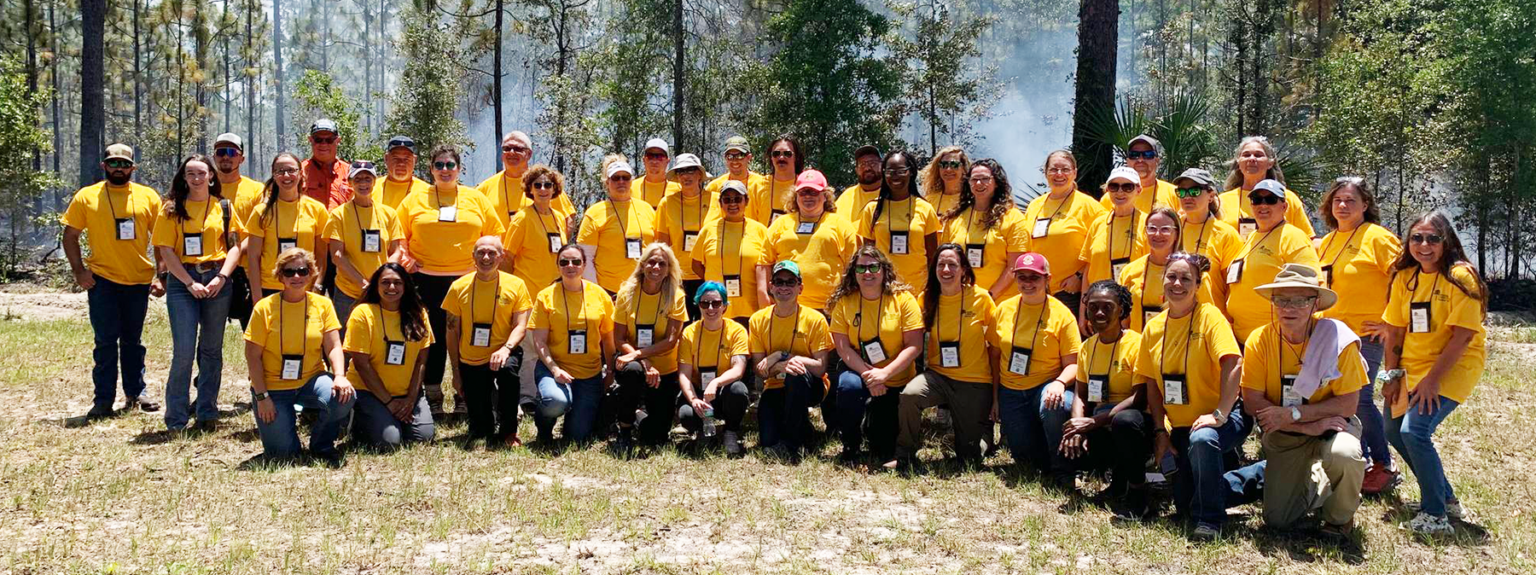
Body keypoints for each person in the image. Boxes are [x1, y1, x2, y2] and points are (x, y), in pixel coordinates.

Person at [1379, 212, 1487, 536]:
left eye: (1432, 239)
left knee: (1415, 430)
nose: (1424, 245)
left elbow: (1463, 336)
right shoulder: (1405, 278)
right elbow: (1395, 332)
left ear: (1446, 242)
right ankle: (1446, 498)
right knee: (1393, 429)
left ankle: (1436, 516)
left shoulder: (1460, 277)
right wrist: (1392, 376)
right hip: (1412, 366)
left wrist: (1432, 381)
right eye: (1417, 238)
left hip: (1453, 365)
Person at [1137, 253, 1258, 540]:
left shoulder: (1209, 316)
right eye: (1172, 277)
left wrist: (1219, 415)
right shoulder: (1153, 328)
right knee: (1186, 503)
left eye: (1186, 279)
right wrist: (1159, 432)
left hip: (1223, 419)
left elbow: (1233, 362)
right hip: (1180, 427)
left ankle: (1211, 521)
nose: (1177, 283)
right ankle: (1268, 477)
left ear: (1198, 284)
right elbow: (1152, 384)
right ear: (1162, 279)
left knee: (1202, 441)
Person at [1240, 263, 1367, 535]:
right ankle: (1319, 480)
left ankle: (1339, 517)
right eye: (1282, 300)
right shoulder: (1259, 340)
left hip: (1332, 427)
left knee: (1345, 453)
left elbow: (1348, 404)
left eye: (1300, 300)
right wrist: (1303, 425)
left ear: (1316, 303)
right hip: (1288, 432)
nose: (1289, 308)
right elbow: (1251, 400)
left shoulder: (1337, 338)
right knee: (1278, 521)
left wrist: (1295, 414)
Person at [398, 144, 505, 416]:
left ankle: (466, 394)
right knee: (431, 338)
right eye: (439, 165)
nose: (445, 170)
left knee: (466, 337)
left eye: (450, 165)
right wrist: (405, 258)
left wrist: (488, 263)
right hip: (425, 279)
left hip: (468, 279)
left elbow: (494, 235)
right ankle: (432, 394)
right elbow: (398, 237)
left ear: (459, 169)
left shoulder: (476, 198)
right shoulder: (414, 198)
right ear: (431, 169)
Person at [63, 143, 164, 418]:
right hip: (102, 281)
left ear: (133, 167)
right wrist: (79, 271)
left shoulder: (148, 196)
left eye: (124, 164)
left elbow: (162, 239)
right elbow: (70, 235)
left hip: (138, 280)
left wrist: (160, 275)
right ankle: (103, 400)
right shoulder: (87, 196)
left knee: (133, 341)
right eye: (113, 163)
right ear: (103, 166)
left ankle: (136, 392)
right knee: (105, 342)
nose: (119, 168)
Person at [1316, 177, 1403, 494]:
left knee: (1362, 398)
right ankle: (1363, 462)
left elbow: (1405, 279)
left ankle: (1385, 464)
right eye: (1337, 200)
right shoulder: (1325, 243)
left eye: (1350, 200)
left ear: (1365, 205)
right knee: (1343, 400)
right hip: (1331, 335)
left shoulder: (1377, 237)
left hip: (1365, 335)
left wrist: (1388, 322)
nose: (1343, 205)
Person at [152, 154, 241, 431]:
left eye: (201, 173)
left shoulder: (223, 207)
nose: (197, 178)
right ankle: (176, 418)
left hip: (217, 279)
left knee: (212, 350)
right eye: (190, 174)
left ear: (211, 176)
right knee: (184, 350)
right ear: (183, 178)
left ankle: (207, 412)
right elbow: (166, 249)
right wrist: (189, 283)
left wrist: (222, 277)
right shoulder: (170, 209)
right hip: (183, 281)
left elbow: (236, 246)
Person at [243, 248, 355, 465]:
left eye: (302, 271)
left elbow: (333, 346)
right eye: (289, 271)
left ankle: (321, 444)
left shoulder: (322, 305)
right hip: (273, 386)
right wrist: (261, 397)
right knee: (284, 457)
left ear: (311, 273)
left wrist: (339, 375)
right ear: (279, 275)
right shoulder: (263, 308)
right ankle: (285, 432)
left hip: (310, 380)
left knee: (345, 396)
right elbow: (252, 357)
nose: (296, 277)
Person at [898, 244, 997, 467]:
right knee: (909, 396)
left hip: (974, 381)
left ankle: (984, 438)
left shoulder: (981, 299)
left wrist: (994, 392)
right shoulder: (926, 299)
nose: (946, 270)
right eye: (941, 264)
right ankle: (905, 454)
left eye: (952, 265)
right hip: (938, 377)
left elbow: (995, 347)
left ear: (963, 269)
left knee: (968, 458)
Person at [1060, 280, 1152, 517]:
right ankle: (1112, 481)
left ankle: (1138, 490)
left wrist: (1094, 422)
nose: (1099, 313)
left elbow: (1139, 398)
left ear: (1121, 309)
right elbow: (1081, 394)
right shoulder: (1087, 347)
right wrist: (1076, 429)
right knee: (1066, 419)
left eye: (1107, 307)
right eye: (1093, 307)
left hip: (1135, 423)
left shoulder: (1137, 343)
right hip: (1101, 422)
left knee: (1124, 421)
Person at [987, 253, 1080, 488]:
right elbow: (994, 356)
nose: (1028, 283)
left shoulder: (1061, 314)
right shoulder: (1003, 310)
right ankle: (1046, 458)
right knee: (1025, 458)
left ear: (1047, 278)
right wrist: (995, 398)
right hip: (1011, 390)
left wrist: (1059, 383)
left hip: (1045, 386)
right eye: (1022, 277)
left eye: (1034, 277)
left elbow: (1074, 363)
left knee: (1055, 404)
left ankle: (1064, 471)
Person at [829, 246, 924, 467]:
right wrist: (870, 375)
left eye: (873, 266)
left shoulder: (903, 299)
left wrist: (885, 374)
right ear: (854, 272)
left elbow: (915, 346)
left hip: (896, 379)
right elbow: (842, 347)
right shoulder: (845, 301)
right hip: (860, 372)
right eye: (861, 268)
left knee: (882, 447)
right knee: (847, 387)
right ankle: (850, 444)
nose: (867, 273)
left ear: (884, 270)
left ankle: (871, 425)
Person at [444, 237, 533, 446]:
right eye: (481, 252)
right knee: (480, 430)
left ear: (501, 257)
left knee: (508, 373)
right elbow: (451, 332)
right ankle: (486, 418)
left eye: (492, 253)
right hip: (471, 358)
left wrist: (506, 349)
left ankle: (509, 430)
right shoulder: (458, 287)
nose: (486, 257)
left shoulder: (516, 285)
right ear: (473, 256)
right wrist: (456, 372)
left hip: (505, 351)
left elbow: (521, 325)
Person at [528, 244, 616, 444]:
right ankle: (544, 425)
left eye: (576, 261)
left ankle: (573, 416)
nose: (570, 266)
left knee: (577, 436)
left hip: (589, 373)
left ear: (584, 265)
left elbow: (609, 341)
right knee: (555, 402)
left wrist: (610, 372)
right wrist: (554, 369)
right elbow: (539, 341)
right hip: (555, 369)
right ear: (558, 265)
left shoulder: (600, 295)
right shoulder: (545, 295)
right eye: (564, 262)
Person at [344, 263, 436, 448]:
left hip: (407, 393)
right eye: (385, 282)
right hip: (370, 392)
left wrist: (410, 399)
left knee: (423, 438)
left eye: (397, 283)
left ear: (406, 286)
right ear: (376, 286)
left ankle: (393, 418)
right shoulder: (363, 314)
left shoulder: (419, 314)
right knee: (389, 442)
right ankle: (356, 422)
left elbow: (421, 361)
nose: (391, 288)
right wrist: (389, 402)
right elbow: (362, 364)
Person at [749, 261, 834, 461]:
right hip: (775, 385)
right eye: (779, 282)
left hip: (811, 385)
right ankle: (803, 429)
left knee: (796, 373)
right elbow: (760, 370)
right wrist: (778, 366)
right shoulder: (757, 320)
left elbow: (821, 367)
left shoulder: (815, 319)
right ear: (771, 287)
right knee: (768, 441)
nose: (784, 287)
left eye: (790, 282)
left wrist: (783, 356)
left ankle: (792, 445)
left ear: (800, 288)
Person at [611, 243, 689, 448]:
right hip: (632, 363)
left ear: (669, 270)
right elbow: (619, 339)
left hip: (664, 368)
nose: (656, 267)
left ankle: (638, 416)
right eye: (651, 262)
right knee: (634, 371)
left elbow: (671, 341)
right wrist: (643, 360)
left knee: (656, 437)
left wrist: (638, 354)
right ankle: (625, 430)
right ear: (642, 264)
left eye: (662, 264)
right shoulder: (626, 294)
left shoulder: (677, 296)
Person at [1225, 179, 1321, 342]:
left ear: (1284, 207)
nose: (1263, 205)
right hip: (1242, 337)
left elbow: (1312, 287)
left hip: (1277, 338)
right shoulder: (1252, 237)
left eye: (1270, 200)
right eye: (1257, 200)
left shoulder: (1293, 237)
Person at [762, 170, 861, 312]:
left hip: (831, 308)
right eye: (803, 192)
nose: (808, 196)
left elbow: (852, 267)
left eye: (814, 192)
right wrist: (765, 295)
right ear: (795, 196)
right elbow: (764, 262)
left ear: (825, 196)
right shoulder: (779, 224)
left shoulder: (842, 225)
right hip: (787, 307)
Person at [1022, 150, 1107, 313]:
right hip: (1037, 289)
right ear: (1046, 173)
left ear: (1074, 173)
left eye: (1065, 169)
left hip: (1069, 292)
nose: (1059, 174)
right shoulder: (1034, 205)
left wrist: (1079, 276)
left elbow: (1099, 251)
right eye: (1053, 169)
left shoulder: (1091, 207)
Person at [325, 160, 404, 329]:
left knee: (379, 338)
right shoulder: (338, 215)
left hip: (382, 291)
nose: (363, 183)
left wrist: (382, 279)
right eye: (358, 179)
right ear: (350, 182)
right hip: (348, 292)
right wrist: (363, 284)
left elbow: (396, 251)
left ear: (374, 182)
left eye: (367, 179)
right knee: (345, 341)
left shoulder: (388, 214)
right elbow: (337, 256)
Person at [244, 152, 331, 305]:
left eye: (291, 170)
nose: (286, 175)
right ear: (274, 175)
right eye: (280, 171)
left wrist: (317, 286)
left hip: (305, 286)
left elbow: (321, 255)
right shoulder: (261, 212)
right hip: (270, 287)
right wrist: (257, 296)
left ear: (300, 174)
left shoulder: (317, 209)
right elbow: (253, 257)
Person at [677, 282, 752, 454]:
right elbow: (684, 374)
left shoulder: (737, 331)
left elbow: (738, 369)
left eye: (716, 303)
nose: (711, 308)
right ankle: (703, 431)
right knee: (686, 414)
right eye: (705, 303)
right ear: (698, 305)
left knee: (738, 390)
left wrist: (716, 382)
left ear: (725, 306)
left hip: (722, 390)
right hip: (699, 391)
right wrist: (694, 399)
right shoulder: (689, 333)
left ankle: (731, 431)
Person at [940, 159, 1028, 300]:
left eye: (985, 179)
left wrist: (989, 296)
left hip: (1000, 302)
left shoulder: (1013, 218)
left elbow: (1015, 267)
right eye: (974, 179)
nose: (979, 183)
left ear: (997, 182)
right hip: (963, 300)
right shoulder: (955, 218)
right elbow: (945, 261)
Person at [857, 151, 941, 296]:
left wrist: (932, 290)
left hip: (918, 290)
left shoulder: (925, 208)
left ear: (911, 173)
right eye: (890, 171)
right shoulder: (872, 210)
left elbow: (933, 256)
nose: (895, 176)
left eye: (901, 171)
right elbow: (867, 256)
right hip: (883, 289)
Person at [1121, 207, 1215, 333]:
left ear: (1177, 234)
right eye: (1152, 229)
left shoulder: (1194, 272)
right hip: (1140, 348)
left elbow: (1207, 318)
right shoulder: (1130, 271)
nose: (1157, 234)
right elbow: (1123, 322)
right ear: (1145, 232)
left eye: (1165, 229)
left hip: (1180, 347)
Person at [691, 181, 771, 324]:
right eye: (727, 199)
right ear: (720, 203)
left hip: (751, 308)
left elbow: (769, 266)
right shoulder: (708, 230)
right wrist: (714, 281)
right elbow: (696, 264)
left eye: (737, 199)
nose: (732, 204)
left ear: (746, 201)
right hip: (716, 307)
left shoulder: (760, 230)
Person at [578, 155, 657, 295]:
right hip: (608, 291)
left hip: (644, 288)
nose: (621, 181)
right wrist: (597, 292)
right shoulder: (594, 213)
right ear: (607, 182)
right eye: (615, 178)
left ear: (632, 181)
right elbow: (586, 257)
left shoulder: (647, 209)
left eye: (625, 177)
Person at [213, 133, 267, 328]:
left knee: (253, 330)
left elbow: (258, 231)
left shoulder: (256, 190)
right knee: (211, 334)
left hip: (247, 271)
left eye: (231, 152)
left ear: (241, 158)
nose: (225, 157)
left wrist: (234, 254)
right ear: (214, 157)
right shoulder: (204, 188)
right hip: (213, 269)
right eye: (221, 152)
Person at [654, 153, 715, 319]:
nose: (686, 176)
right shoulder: (667, 203)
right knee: (680, 327)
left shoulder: (716, 200)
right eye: (681, 172)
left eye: (690, 171)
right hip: (679, 277)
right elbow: (662, 245)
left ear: (699, 174)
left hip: (709, 274)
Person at [1173, 168, 1241, 315]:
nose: (1187, 197)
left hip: (1212, 320)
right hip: (1175, 318)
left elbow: (1233, 286)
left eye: (1195, 191)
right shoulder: (1172, 228)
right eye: (1182, 192)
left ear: (1211, 195)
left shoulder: (1226, 235)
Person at [1218, 136, 1315, 239]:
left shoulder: (1287, 198)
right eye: (1246, 155)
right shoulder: (1222, 201)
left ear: (1270, 163)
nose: (1252, 159)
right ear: (1238, 162)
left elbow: (1307, 239)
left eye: (1258, 155)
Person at [477, 131, 576, 225]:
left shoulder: (545, 184)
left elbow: (568, 218)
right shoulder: (484, 189)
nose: (511, 152)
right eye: (507, 148)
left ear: (529, 154)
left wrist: (557, 242)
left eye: (518, 149)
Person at [503, 164, 572, 291]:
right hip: (528, 292)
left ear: (554, 189)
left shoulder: (559, 217)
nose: (542, 189)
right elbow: (507, 258)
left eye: (547, 185)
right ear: (530, 189)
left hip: (554, 291)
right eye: (537, 185)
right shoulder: (522, 218)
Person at [1079, 167, 1148, 288]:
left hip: (1133, 301)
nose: (1120, 192)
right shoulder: (1097, 224)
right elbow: (1089, 269)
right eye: (1114, 186)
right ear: (1107, 190)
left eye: (1127, 187)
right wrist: (1084, 305)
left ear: (1138, 190)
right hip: (1098, 301)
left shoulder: (1148, 224)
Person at [1102, 135, 1181, 214]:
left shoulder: (1175, 194)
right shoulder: (1112, 197)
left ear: (1157, 161)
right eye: (1134, 155)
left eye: (1148, 154)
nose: (1140, 160)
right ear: (1127, 161)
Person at [704, 136, 770, 222]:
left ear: (749, 157)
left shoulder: (762, 185)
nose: (734, 161)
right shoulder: (714, 187)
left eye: (740, 156)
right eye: (730, 156)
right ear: (725, 158)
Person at [300, 119, 353, 209]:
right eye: (318, 140)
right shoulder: (299, 171)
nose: (323, 144)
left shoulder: (350, 172)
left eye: (329, 140)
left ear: (338, 140)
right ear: (310, 140)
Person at [375, 136, 431, 209]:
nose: (401, 163)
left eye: (406, 159)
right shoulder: (370, 188)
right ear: (386, 159)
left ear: (415, 160)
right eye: (395, 158)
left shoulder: (427, 192)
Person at [759, 135, 804, 223]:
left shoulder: (804, 185)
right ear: (771, 157)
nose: (781, 158)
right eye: (776, 154)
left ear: (796, 157)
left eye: (787, 154)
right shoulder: (758, 185)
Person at [836, 145, 884, 222]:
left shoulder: (892, 194)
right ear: (856, 170)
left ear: (882, 166)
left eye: (872, 163)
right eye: (862, 164)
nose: (867, 168)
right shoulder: (847, 195)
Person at [922, 146, 969, 218]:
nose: (948, 169)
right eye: (944, 165)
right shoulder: (929, 201)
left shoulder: (972, 200)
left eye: (954, 164)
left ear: (963, 168)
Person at [633, 138, 681, 206]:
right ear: (644, 160)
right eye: (650, 156)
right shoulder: (631, 188)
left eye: (659, 157)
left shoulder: (678, 189)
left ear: (667, 161)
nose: (654, 161)